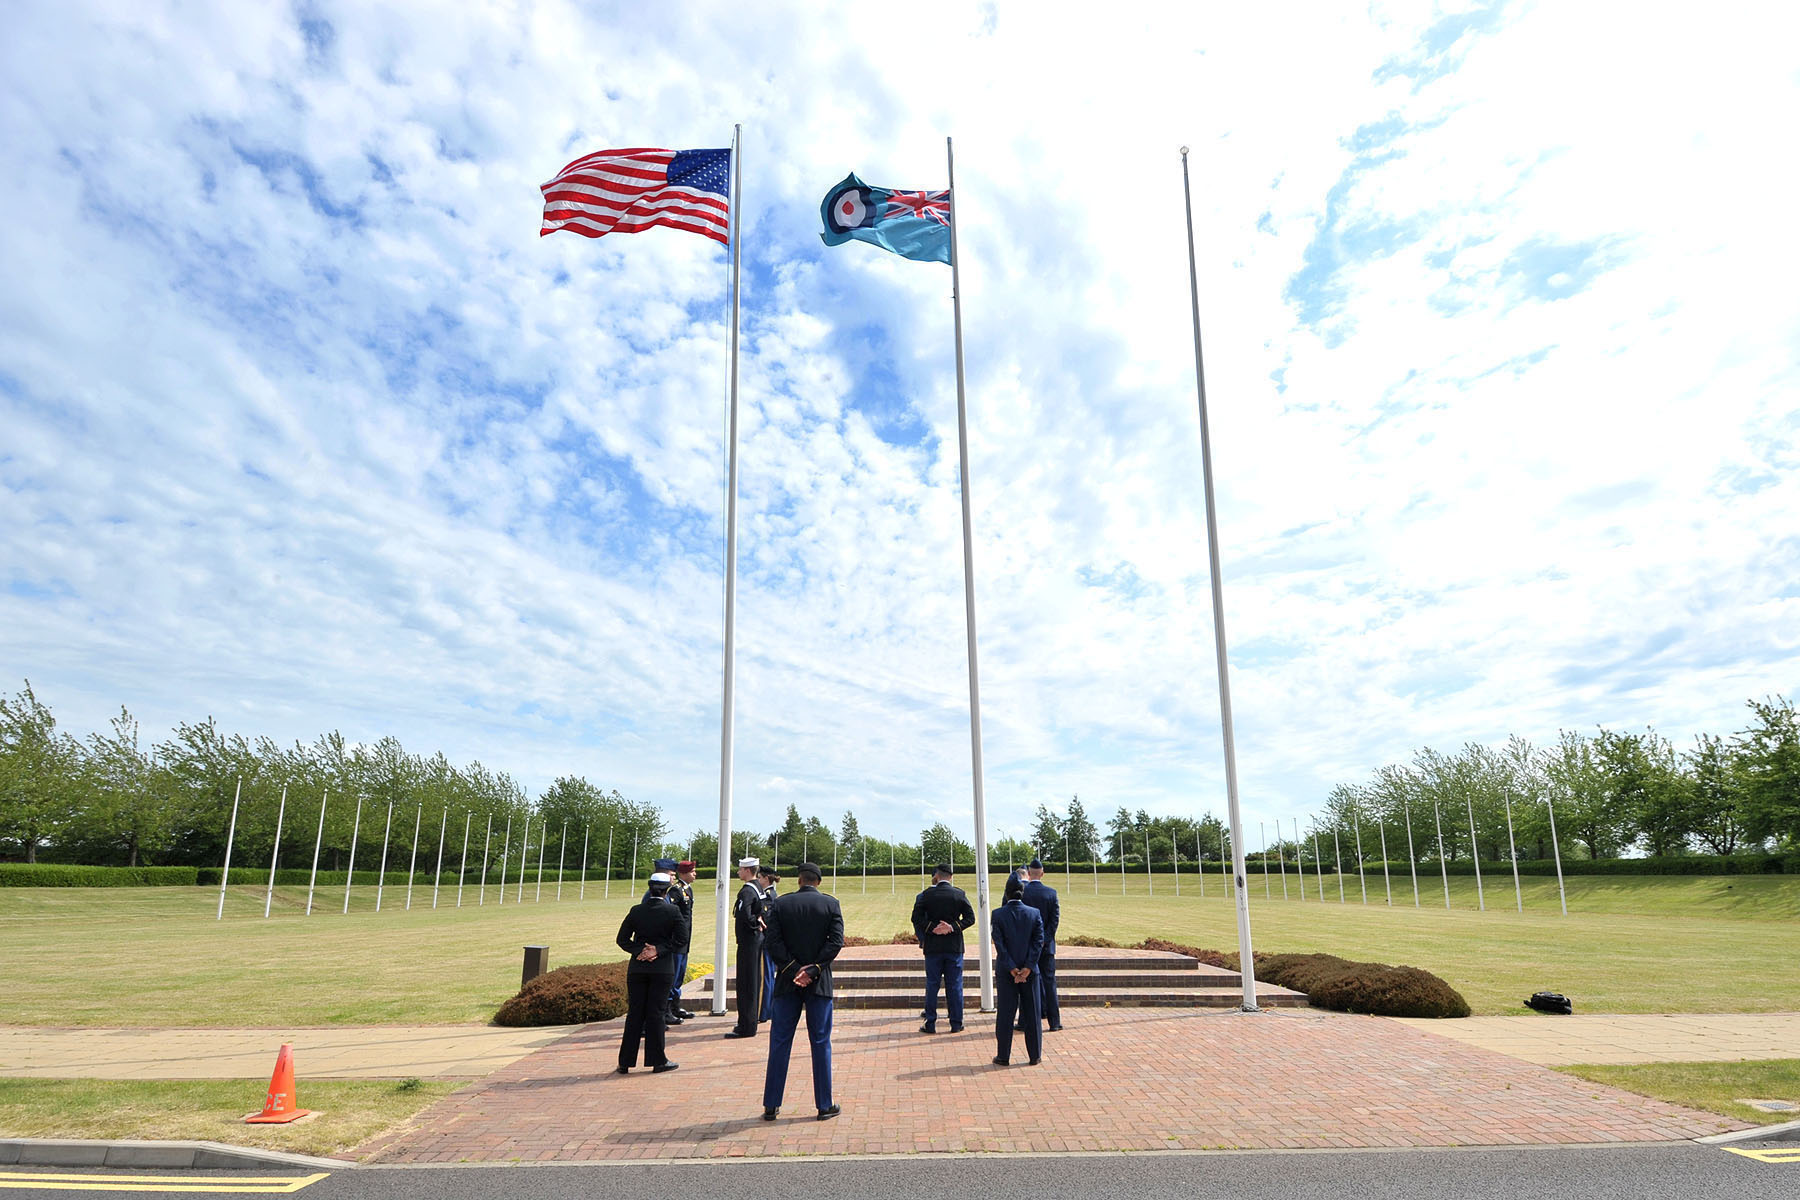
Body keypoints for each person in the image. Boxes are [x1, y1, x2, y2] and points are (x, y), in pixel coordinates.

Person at [760, 862, 844, 1121]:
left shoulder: (781, 904)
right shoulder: (831, 904)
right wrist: (813, 969)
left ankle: (771, 1104)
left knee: (780, 1042)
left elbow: (772, 942)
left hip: (787, 981)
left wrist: (793, 968)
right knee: (820, 1042)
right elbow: (836, 942)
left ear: (799, 880)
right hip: (818, 983)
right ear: (818, 881)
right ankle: (824, 1104)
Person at [615, 872, 688, 1075]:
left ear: (650, 888)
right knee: (656, 1013)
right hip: (662, 969)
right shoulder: (673, 911)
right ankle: (658, 1061)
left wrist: (640, 951)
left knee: (635, 1014)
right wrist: (658, 950)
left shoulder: (636, 910)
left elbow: (622, 939)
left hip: (637, 968)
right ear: (666, 891)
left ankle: (625, 1062)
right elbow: (682, 939)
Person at [910, 863, 975, 1034]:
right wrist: (953, 927)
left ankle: (930, 1022)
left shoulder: (926, 895)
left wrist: (932, 927)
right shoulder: (959, 894)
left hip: (933, 947)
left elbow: (915, 917)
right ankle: (956, 1023)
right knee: (954, 986)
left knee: (932, 985)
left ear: (937, 876)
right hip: (954, 947)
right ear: (951, 877)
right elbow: (970, 918)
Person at [990, 873, 1045, 1067]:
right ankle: (1035, 1055)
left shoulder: (997, 914)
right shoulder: (1034, 913)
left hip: (1006, 972)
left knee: (1005, 1014)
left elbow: (1000, 944)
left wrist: (1013, 968)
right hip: (1030, 972)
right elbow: (1038, 942)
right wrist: (1028, 967)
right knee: (1032, 1014)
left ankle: (1003, 1056)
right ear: (1023, 893)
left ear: (1006, 893)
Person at [1021, 858, 1063, 1032]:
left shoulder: (1022, 892)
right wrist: (1045, 939)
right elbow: (1054, 920)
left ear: (1029, 874)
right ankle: (1054, 1022)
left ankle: (1024, 1021)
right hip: (1046, 946)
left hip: (1026, 946)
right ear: (1042, 874)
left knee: (1025, 982)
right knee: (1049, 983)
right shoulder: (1051, 893)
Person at [725, 857, 764, 1039]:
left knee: (747, 983)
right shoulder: (758, 887)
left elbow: (744, 915)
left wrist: (754, 925)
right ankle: (749, 1022)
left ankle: (746, 1025)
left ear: (748, 871)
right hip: (755, 940)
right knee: (752, 981)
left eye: (740, 870)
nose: (738, 872)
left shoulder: (748, 891)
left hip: (749, 941)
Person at [666, 860, 698, 1022]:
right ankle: (668, 1008)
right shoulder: (676, 891)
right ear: (683, 873)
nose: (695, 874)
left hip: (685, 938)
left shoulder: (687, 889)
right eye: (692, 871)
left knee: (680, 973)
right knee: (674, 972)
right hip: (677, 939)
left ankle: (675, 1006)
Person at [756, 867, 779, 1023]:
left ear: (765, 878)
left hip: (766, 941)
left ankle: (763, 1012)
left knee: (766, 977)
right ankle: (766, 1011)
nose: (757, 880)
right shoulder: (768, 894)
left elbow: (768, 920)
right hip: (769, 941)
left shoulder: (769, 896)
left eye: (759, 877)